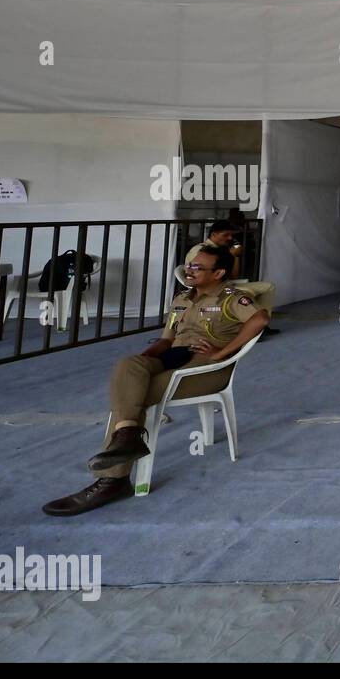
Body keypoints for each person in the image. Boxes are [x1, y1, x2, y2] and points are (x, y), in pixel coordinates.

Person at [41, 245, 269, 516]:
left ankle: (112, 480)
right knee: (128, 368)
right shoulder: (182, 298)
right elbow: (166, 340)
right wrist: (141, 363)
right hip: (172, 357)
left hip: (204, 369)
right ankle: (127, 438)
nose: (189, 271)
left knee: (132, 398)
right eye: (189, 266)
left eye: (198, 267)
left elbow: (260, 319)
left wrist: (220, 353)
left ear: (218, 273)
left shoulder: (231, 298)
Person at [180, 219, 279, 335]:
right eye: (226, 235)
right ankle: (249, 327)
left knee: (269, 287)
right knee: (247, 293)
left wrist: (235, 256)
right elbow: (195, 274)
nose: (230, 238)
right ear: (214, 234)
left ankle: (261, 327)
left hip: (226, 284)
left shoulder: (220, 251)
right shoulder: (201, 251)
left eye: (231, 235)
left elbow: (232, 276)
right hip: (211, 288)